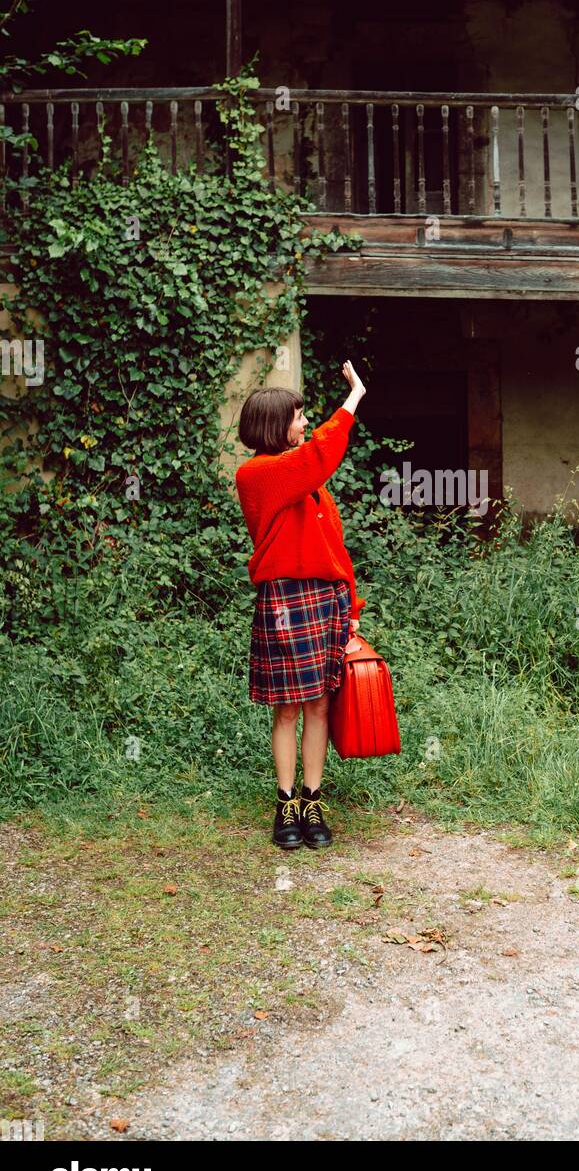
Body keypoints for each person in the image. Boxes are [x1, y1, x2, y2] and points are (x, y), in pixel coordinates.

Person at [235, 360, 367, 850]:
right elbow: (320, 453)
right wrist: (353, 398)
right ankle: (286, 803)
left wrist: (351, 605)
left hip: (323, 598)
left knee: (319, 705)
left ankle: (313, 800)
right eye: (297, 416)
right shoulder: (259, 475)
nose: (305, 422)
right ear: (274, 424)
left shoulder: (310, 488)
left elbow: (335, 548)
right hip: (285, 600)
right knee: (288, 709)